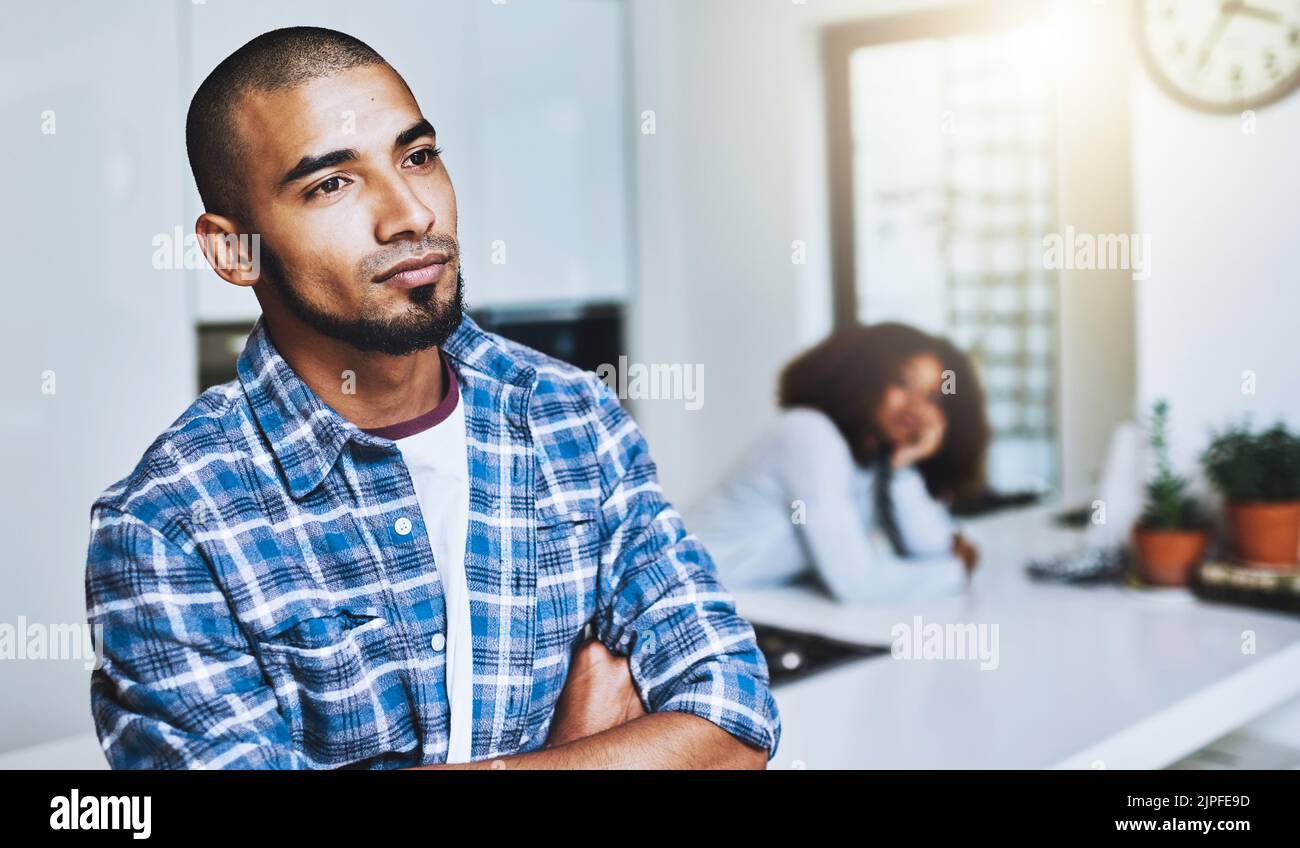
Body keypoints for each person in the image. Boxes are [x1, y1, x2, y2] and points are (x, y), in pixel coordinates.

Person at [83, 27, 778, 770]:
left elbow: (732, 722)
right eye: (331, 184)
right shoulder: (168, 524)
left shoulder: (574, 416)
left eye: (417, 157)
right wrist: (577, 753)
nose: (411, 214)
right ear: (234, 250)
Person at [685, 323, 990, 604]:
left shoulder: (875, 458)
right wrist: (956, 570)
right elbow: (857, 584)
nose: (915, 406)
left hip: (746, 601)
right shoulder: (809, 432)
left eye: (931, 398)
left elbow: (930, 549)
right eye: (902, 382)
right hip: (672, 594)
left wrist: (903, 467)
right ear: (864, 377)